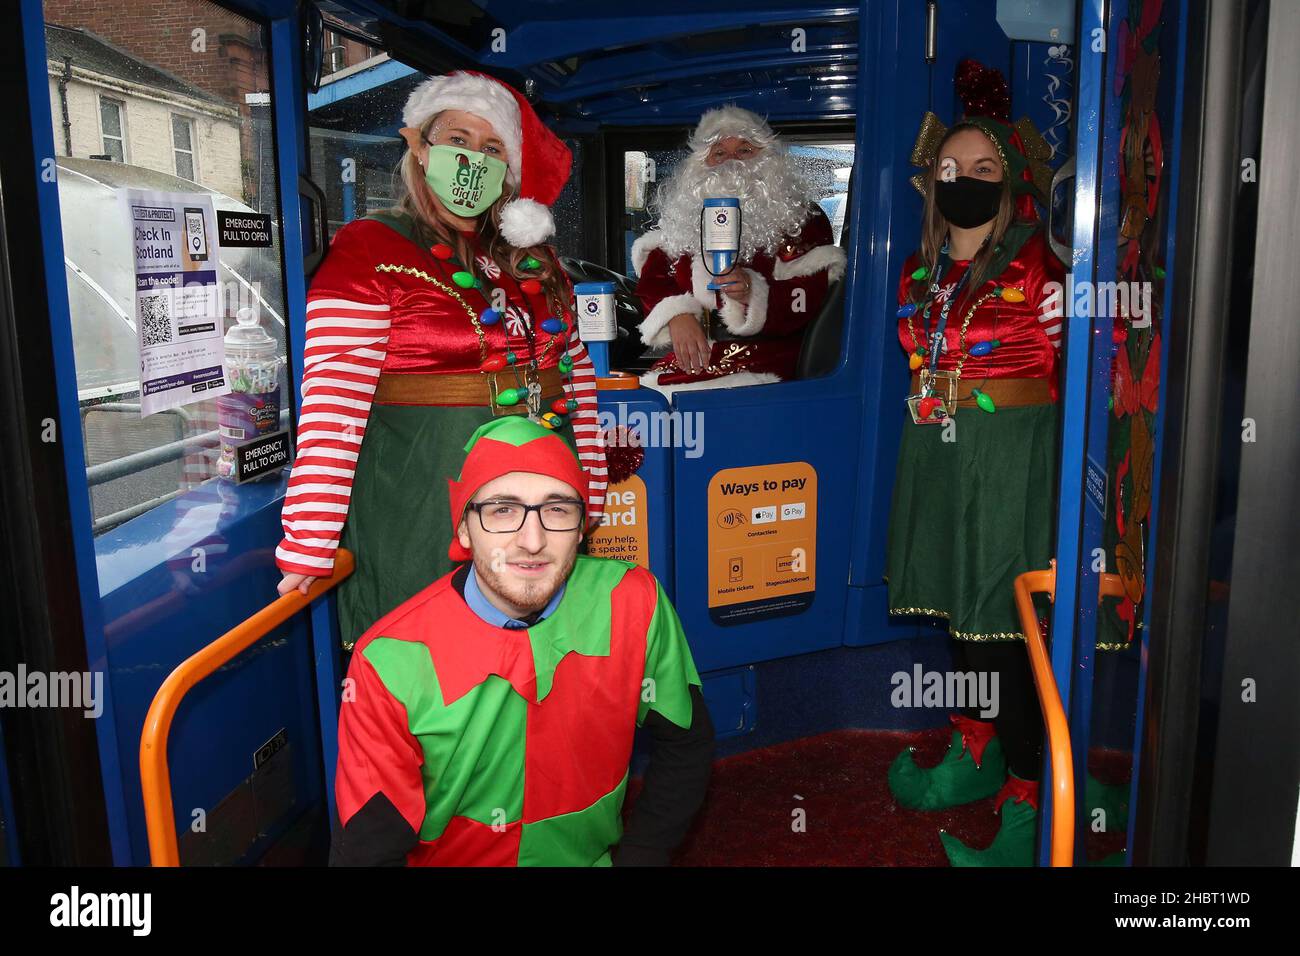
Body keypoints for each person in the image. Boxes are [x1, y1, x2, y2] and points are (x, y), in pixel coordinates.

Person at [274, 70, 607, 650]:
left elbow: (575, 379)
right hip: (425, 501)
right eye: (457, 140)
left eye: (491, 148)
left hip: (541, 504)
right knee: (438, 674)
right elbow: (334, 397)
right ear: (420, 145)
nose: (473, 159)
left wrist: (592, 495)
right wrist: (310, 540)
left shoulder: (532, 259)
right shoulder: (371, 247)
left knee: (538, 665)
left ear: (509, 169)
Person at [329, 416, 714, 866]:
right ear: (464, 530)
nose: (533, 540)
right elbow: (368, 849)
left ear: (582, 526)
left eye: (557, 509)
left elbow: (686, 743)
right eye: (502, 510)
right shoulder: (388, 660)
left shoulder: (632, 601)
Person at [883, 61, 1064, 866]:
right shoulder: (920, 275)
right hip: (940, 458)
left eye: (982, 170)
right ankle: (977, 752)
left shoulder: (1043, 263)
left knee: (1005, 633)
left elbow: (1079, 377)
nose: (963, 181)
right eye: (949, 170)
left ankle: (1034, 801)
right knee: (960, 624)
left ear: (1011, 181)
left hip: (1009, 464)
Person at [632, 105, 846, 395]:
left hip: (768, 359)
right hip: (696, 355)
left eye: (744, 150)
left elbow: (807, 296)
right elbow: (656, 276)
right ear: (701, 163)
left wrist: (751, 292)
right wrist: (678, 315)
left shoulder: (802, 220)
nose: (731, 162)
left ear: (767, 158)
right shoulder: (684, 218)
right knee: (639, 407)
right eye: (719, 153)